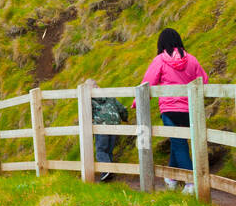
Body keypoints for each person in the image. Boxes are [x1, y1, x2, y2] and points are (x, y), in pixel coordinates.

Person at [138, 28, 209, 193]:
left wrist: (137, 102)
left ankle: (191, 181)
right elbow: (203, 80)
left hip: (169, 110)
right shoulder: (192, 59)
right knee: (179, 142)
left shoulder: (160, 60)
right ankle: (171, 177)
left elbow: (148, 82)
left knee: (179, 143)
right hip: (189, 109)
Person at [89, 80, 130, 182]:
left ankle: (106, 171)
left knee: (101, 150)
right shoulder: (108, 95)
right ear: (97, 86)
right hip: (114, 125)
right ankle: (109, 174)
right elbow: (121, 108)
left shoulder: (88, 98)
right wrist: (125, 118)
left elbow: (86, 113)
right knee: (109, 150)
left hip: (101, 126)